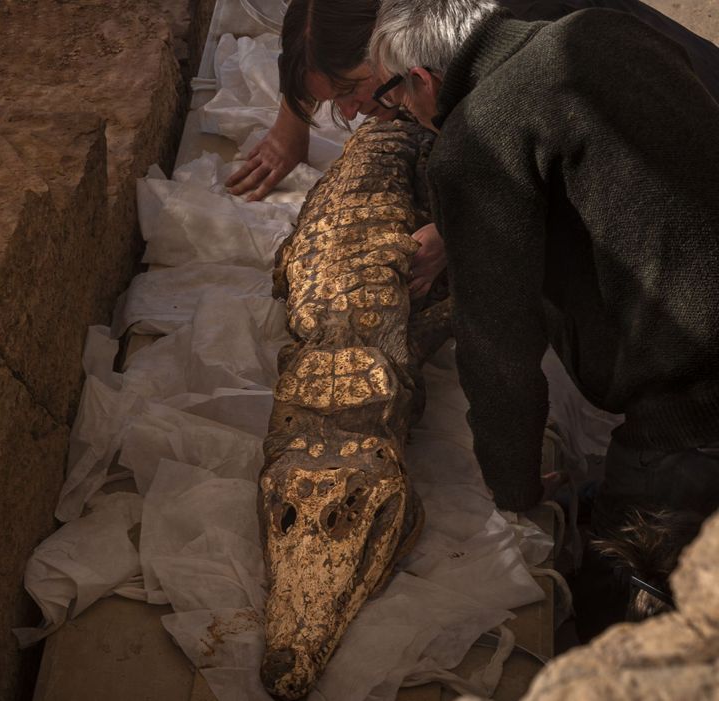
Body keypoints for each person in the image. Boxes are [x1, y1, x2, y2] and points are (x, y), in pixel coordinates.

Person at [366, 0, 719, 632]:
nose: (406, 117)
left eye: (395, 100)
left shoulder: (479, 135)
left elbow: (498, 350)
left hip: (695, 408)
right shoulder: (606, 28)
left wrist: (517, 486)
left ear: (420, 80)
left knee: (630, 608)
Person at [227, 0, 719, 300]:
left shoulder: (516, 56)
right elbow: (317, 23)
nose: (352, 113)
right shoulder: (408, 33)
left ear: (389, 46)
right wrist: (292, 120)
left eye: (351, 90)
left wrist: (453, 231)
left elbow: (559, 167)